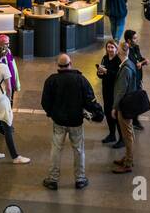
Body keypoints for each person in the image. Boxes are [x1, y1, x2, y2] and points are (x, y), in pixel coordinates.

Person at [40, 54, 99, 191]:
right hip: (76, 121)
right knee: (79, 150)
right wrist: (97, 113)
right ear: (70, 63)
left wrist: (52, 113)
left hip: (59, 121)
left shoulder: (51, 80)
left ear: (58, 65)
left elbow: (45, 102)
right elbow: (89, 98)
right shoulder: (80, 79)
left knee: (56, 149)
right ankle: (80, 179)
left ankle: (53, 179)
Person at [0, 45, 30, 164]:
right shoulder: (3, 67)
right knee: (7, 127)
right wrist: (9, 100)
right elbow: (8, 88)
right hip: (0, 102)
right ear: (3, 55)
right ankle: (15, 157)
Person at [110, 39, 141, 173]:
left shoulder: (125, 69)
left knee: (127, 135)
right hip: (130, 104)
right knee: (129, 132)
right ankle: (128, 157)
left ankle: (128, 162)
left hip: (124, 106)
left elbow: (121, 91)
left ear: (120, 52)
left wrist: (115, 107)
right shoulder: (129, 63)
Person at [96, 39, 123, 148]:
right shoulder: (105, 58)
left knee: (116, 114)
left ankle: (122, 139)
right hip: (106, 89)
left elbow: (118, 75)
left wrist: (106, 72)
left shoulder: (118, 60)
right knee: (107, 112)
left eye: (112, 47)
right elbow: (101, 75)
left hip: (115, 90)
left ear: (116, 49)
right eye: (108, 47)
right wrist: (99, 72)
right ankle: (112, 134)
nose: (110, 49)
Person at [122, 29, 149, 128]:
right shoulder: (125, 50)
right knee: (131, 99)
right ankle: (131, 119)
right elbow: (128, 63)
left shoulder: (136, 47)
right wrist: (139, 63)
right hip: (130, 79)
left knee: (137, 98)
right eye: (134, 38)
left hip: (138, 78)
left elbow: (139, 59)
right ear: (128, 40)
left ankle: (135, 120)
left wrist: (144, 61)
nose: (136, 40)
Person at [0, 34, 20, 101]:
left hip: (11, 81)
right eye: (6, 44)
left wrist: (16, 82)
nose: (8, 45)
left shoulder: (8, 51)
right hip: (2, 85)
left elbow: (13, 66)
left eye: (8, 43)